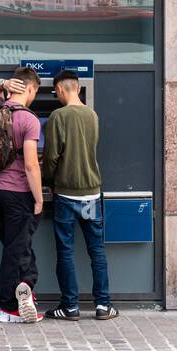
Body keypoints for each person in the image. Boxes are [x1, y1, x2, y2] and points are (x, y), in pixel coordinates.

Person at [40, 69, 117, 321]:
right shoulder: (92, 116)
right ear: (79, 88)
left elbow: (51, 156)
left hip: (66, 196)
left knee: (66, 251)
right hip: (92, 195)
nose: (56, 96)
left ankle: (70, 307)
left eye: (55, 92)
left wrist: (48, 180)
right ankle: (103, 305)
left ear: (61, 89)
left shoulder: (57, 116)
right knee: (97, 251)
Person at [0, 67, 44, 324]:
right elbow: (31, 164)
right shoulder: (29, 119)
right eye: (35, 92)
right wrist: (39, 198)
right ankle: (8, 306)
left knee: (16, 246)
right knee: (14, 250)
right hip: (19, 193)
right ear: (30, 88)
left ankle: (25, 290)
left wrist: (4, 83)